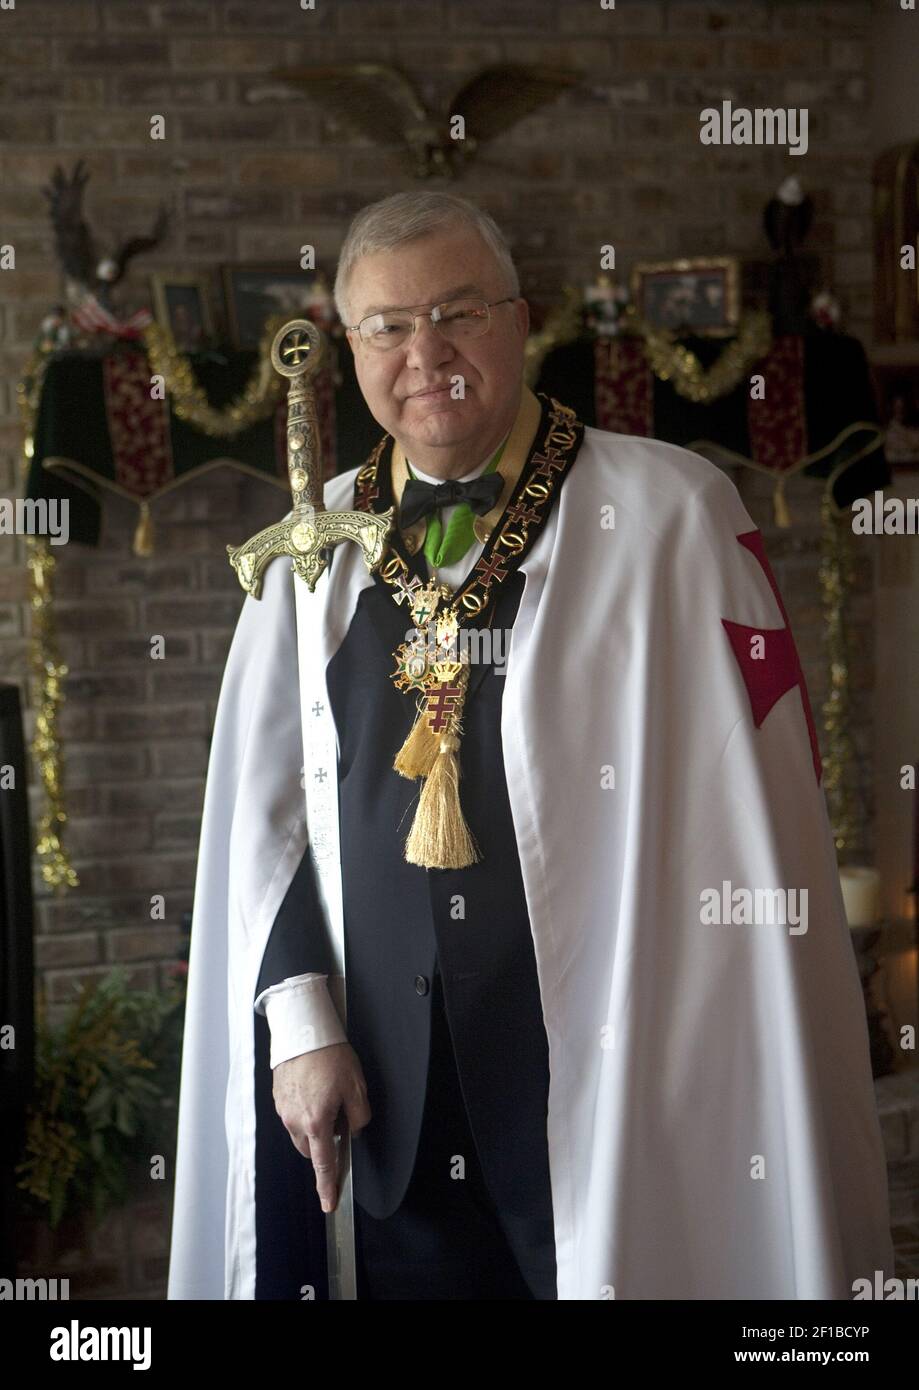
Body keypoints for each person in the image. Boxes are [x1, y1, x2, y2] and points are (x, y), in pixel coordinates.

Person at [167, 190, 894, 1301]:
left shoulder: (668, 521)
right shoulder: (306, 556)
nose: (426, 353)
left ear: (520, 319)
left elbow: (746, 829)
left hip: (618, 1084)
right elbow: (259, 832)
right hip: (386, 1105)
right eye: (388, 326)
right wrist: (301, 1025)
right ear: (350, 347)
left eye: (458, 310)